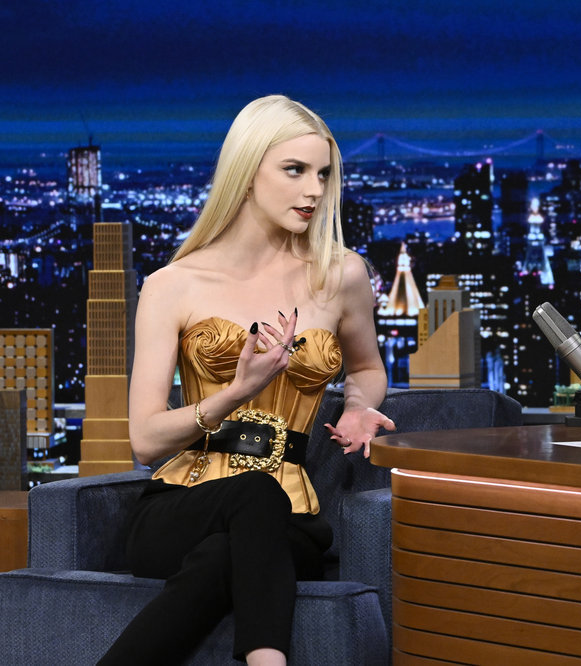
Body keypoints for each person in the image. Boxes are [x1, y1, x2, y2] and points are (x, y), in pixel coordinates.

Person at [99, 95, 395, 665]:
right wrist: (236, 391)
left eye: (323, 174)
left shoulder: (341, 274)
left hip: (291, 518)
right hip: (180, 506)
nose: (314, 190)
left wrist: (359, 406)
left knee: (227, 550)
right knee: (251, 497)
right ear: (247, 171)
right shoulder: (172, 284)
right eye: (295, 170)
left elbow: (366, 367)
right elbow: (145, 442)